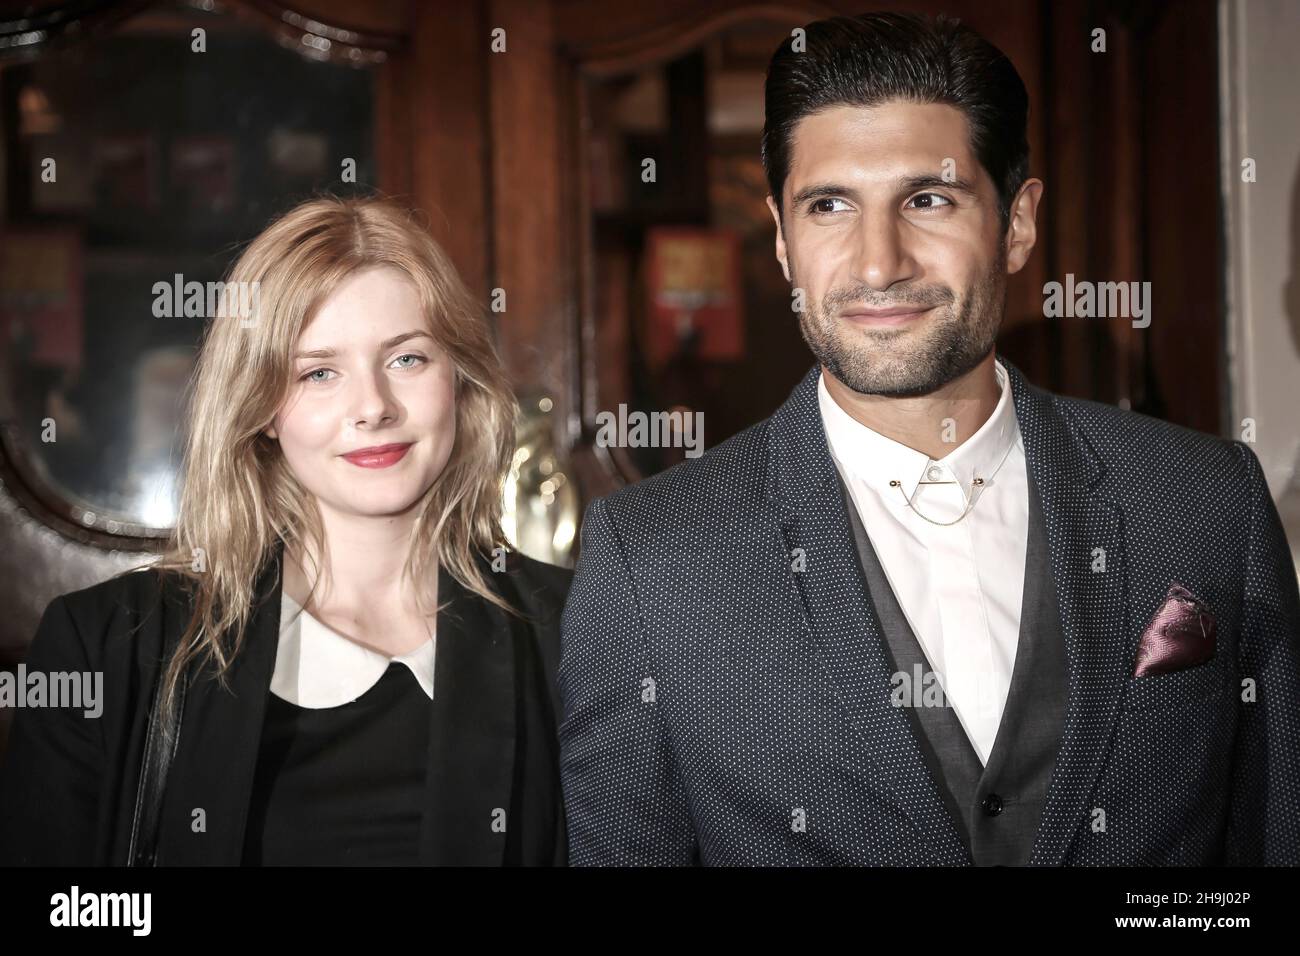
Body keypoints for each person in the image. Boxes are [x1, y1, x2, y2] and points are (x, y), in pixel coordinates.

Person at [559, 12, 1300, 865]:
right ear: (781, 238)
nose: (879, 264)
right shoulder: (651, 558)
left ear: (1017, 223)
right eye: (830, 205)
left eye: (928, 199)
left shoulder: (1206, 498)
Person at [0, 196, 571, 866]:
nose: (373, 408)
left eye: (408, 359)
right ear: (263, 407)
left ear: (460, 378)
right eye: (318, 372)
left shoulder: (577, 631)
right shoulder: (106, 646)